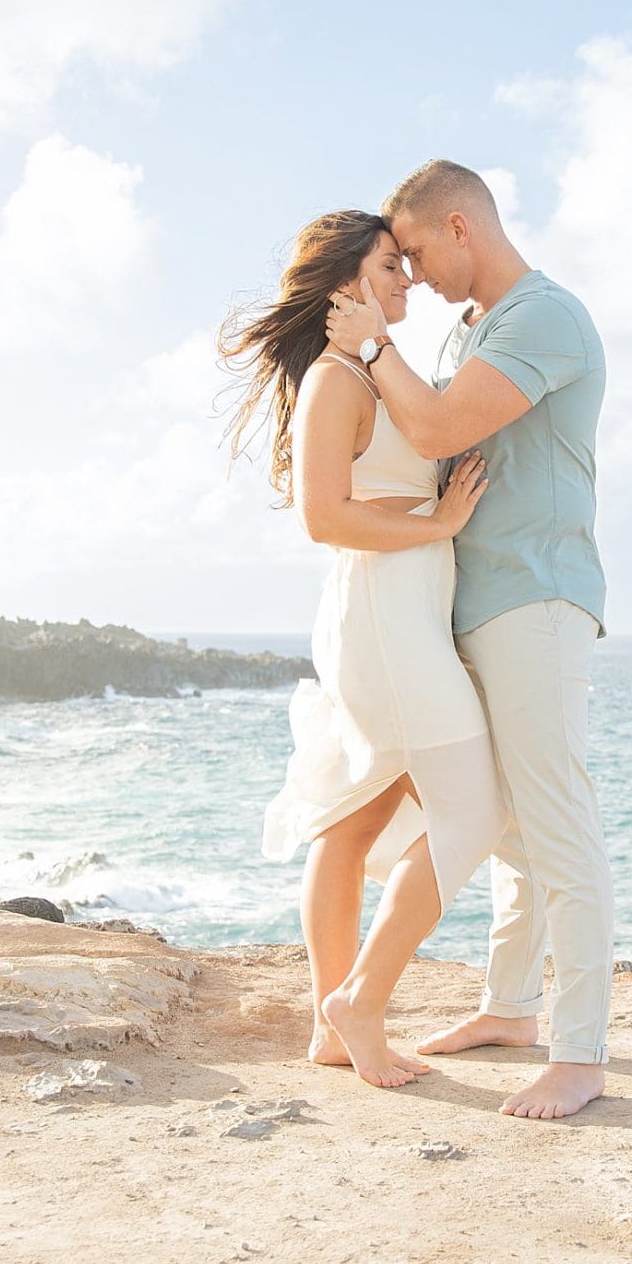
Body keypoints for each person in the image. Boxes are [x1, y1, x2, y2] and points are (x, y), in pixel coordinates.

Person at [325, 159, 613, 1121]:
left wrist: (371, 348)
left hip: (533, 597)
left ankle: (580, 1054)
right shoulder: (468, 330)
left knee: (556, 821)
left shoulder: (543, 316)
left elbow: (440, 426)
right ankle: (510, 1008)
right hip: (470, 602)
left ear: (459, 227)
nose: (412, 274)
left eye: (414, 252)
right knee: (510, 824)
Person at [218, 208, 508, 1090]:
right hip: (384, 621)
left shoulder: (374, 369)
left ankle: (329, 1026)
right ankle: (358, 1002)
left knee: (353, 819)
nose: (406, 278)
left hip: (400, 615)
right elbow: (323, 517)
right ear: (345, 284)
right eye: (388, 265)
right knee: (474, 814)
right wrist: (439, 523)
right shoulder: (335, 379)